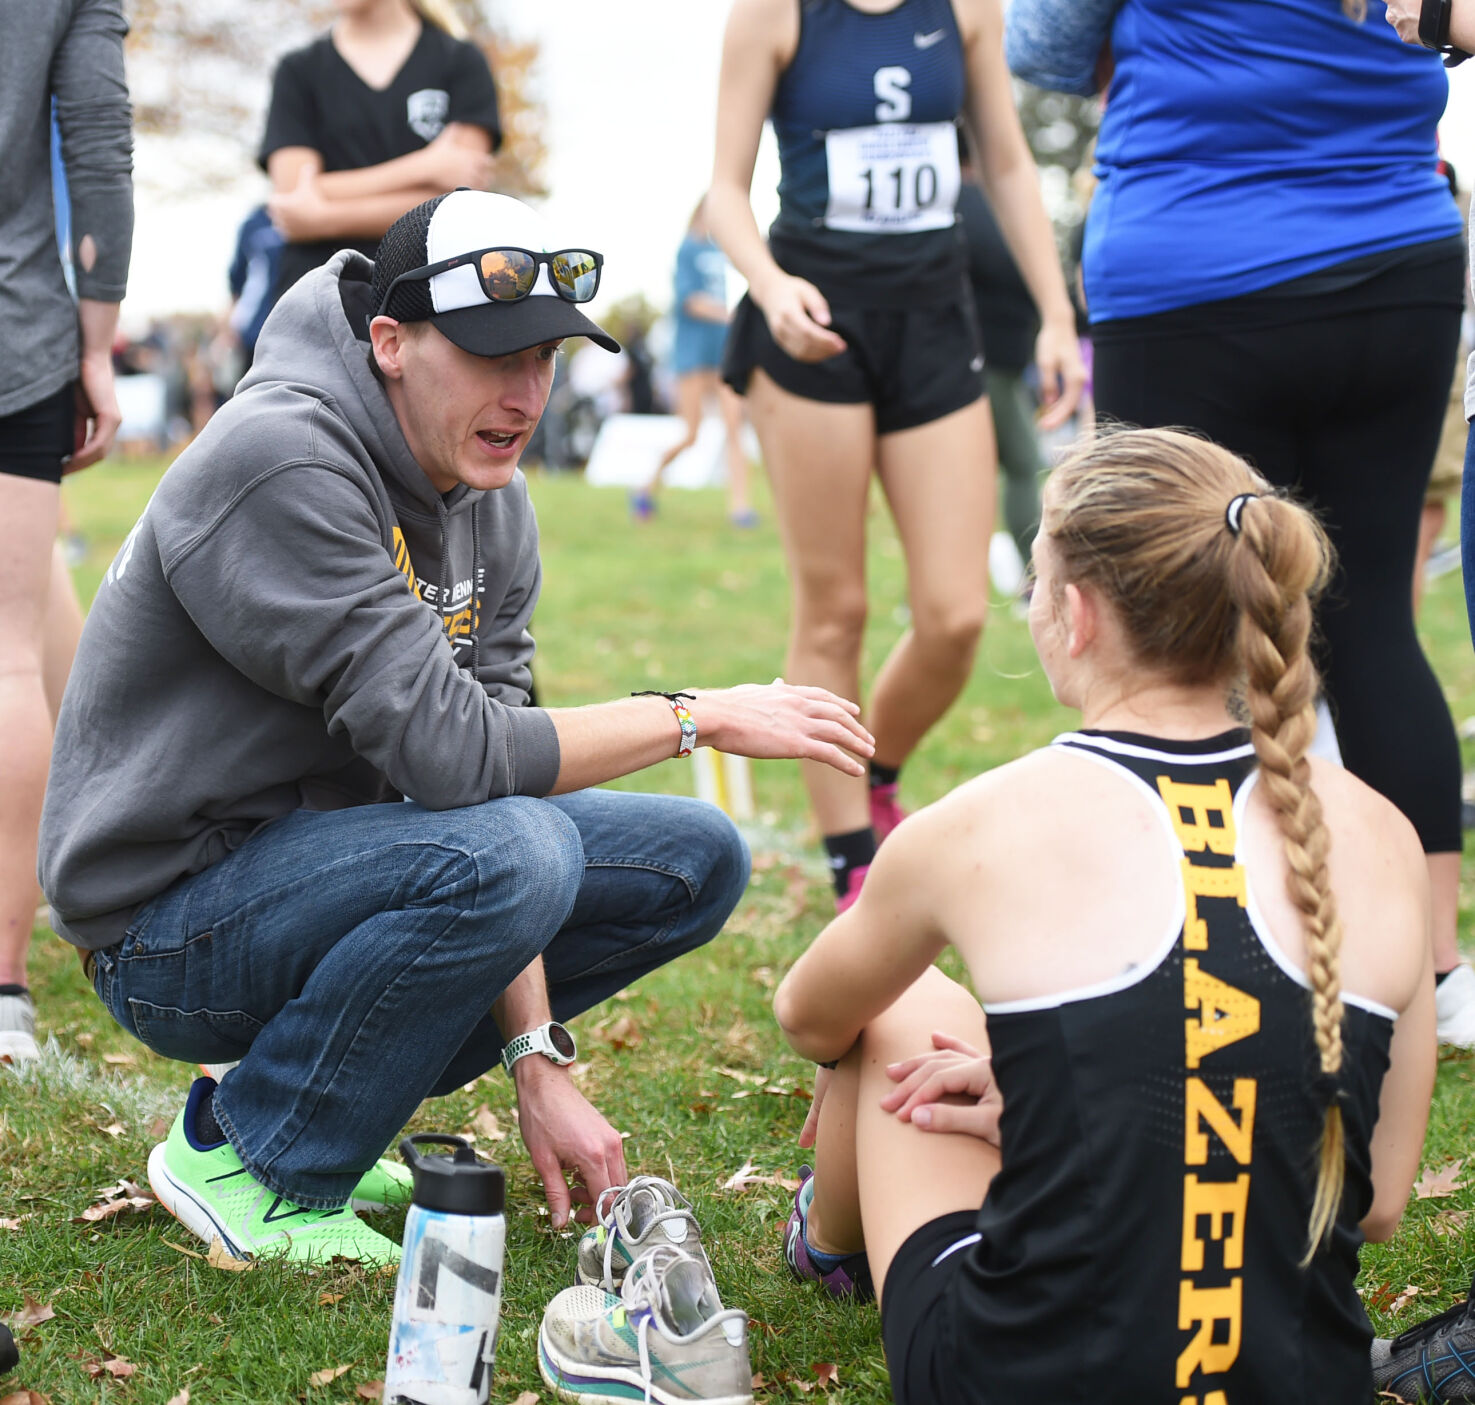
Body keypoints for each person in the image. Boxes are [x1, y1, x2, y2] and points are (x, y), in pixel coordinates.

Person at [38, 190, 873, 1267]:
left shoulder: (493, 497)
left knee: (692, 858)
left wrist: (536, 1056)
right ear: (389, 341)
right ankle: (254, 1153)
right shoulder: (282, 460)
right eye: (491, 357)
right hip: (163, 923)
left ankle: (309, 1096)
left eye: (544, 359)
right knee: (513, 852)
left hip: (316, 867)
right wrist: (692, 718)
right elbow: (460, 761)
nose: (523, 394)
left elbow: (492, 783)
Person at [773, 428, 1435, 1404]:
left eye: (1035, 579)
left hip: (1012, 1377)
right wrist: (1087, 1082)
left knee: (899, 999)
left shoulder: (978, 823)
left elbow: (808, 1015)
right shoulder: (1380, 831)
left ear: (1073, 614)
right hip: (1300, 1381)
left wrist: (1066, 1098)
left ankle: (827, 1246)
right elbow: (1372, 1199)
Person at [1008, 0, 1475, 1044]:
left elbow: (1039, 47)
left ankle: (1194, 943)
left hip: (1191, 260)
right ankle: (1435, 974)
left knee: (1165, 627)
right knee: (1370, 627)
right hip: (1391, 257)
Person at [707, 0, 1084, 912]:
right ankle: (852, 864)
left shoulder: (965, 10)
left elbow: (1003, 160)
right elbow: (723, 190)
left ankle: (876, 770)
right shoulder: (773, 14)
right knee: (833, 610)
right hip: (813, 329)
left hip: (933, 324)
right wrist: (770, 285)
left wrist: (1054, 313)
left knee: (955, 613)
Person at [0, 0, 132, 1063]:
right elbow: (98, 143)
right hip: (19, 323)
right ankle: (2, 992)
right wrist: (96, 343)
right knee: (6, 658)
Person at [260, 0, 500, 301]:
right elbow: (293, 194)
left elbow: (457, 206)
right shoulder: (298, 70)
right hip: (319, 299)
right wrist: (425, 166)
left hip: (432, 295)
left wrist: (321, 217)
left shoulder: (460, 60)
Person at [631, 201, 756, 527]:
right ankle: (645, 487)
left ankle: (740, 509)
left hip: (722, 352)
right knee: (691, 434)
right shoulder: (687, 249)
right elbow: (690, 301)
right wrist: (729, 314)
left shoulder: (718, 249)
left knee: (734, 427)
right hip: (692, 354)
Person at [956, 132, 1045, 567]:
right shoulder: (976, 204)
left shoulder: (951, 203)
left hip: (974, 358)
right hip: (991, 359)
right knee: (1024, 464)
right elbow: (1016, 270)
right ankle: (1034, 576)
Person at [225, 205, 285, 377]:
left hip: (300, 330)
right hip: (256, 331)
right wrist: (231, 326)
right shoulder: (254, 223)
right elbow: (238, 281)